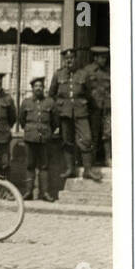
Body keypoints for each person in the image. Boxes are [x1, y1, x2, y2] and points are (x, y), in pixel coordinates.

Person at [50, 48, 99, 181]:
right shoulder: (58, 74)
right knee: (67, 141)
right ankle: (70, 169)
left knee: (86, 139)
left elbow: (89, 94)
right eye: (66, 59)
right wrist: (59, 107)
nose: (69, 60)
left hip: (81, 112)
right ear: (64, 60)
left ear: (76, 60)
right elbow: (51, 94)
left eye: (71, 58)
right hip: (65, 113)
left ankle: (88, 170)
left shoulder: (83, 74)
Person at [19, 76, 58, 202]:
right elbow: (22, 120)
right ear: (32, 88)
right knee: (30, 165)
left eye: (40, 86)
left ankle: (45, 193)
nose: (38, 88)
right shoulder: (26, 102)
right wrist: (30, 130)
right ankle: (28, 192)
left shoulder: (50, 102)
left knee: (44, 166)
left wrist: (48, 131)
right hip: (30, 138)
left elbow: (55, 121)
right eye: (36, 86)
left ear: (43, 88)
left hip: (45, 138)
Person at [83, 46, 110, 168]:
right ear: (95, 58)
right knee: (93, 134)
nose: (104, 60)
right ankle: (91, 161)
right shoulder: (87, 71)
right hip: (93, 108)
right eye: (102, 57)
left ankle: (107, 158)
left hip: (107, 107)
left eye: (105, 57)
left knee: (107, 133)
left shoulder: (109, 71)